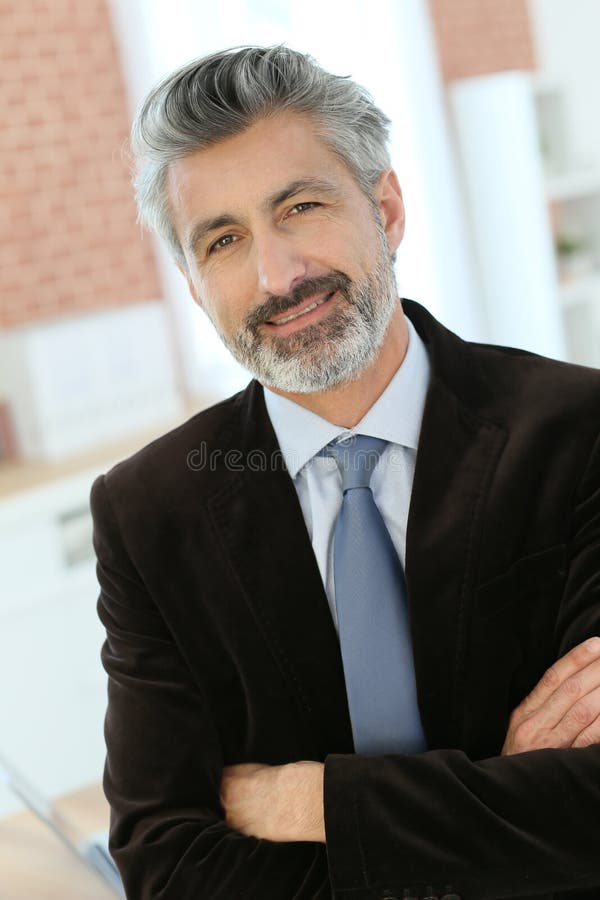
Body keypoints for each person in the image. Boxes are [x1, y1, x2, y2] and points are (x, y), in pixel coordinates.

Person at [91, 45, 600, 900]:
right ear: (191, 282)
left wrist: (308, 798)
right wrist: (500, 810)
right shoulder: (150, 514)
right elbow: (167, 866)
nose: (276, 275)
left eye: (301, 206)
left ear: (387, 207)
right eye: (223, 239)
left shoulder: (579, 434)